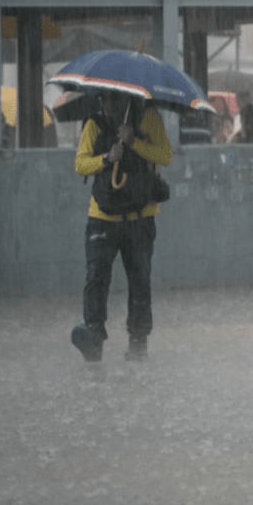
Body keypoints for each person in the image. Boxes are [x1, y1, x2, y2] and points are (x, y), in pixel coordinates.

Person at [71, 91, 172, 362]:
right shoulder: (94, 124)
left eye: (113, 100)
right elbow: (80, 164)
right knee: (96, 278)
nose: (108, 105)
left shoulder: (148, 119)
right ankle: (93, 335)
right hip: (102, 218)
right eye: (103, 100)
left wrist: (134, 141)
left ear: (127, 99)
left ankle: (138, 342)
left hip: (140, 219)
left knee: (140, 281)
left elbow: (164, 155)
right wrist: (106, 159)